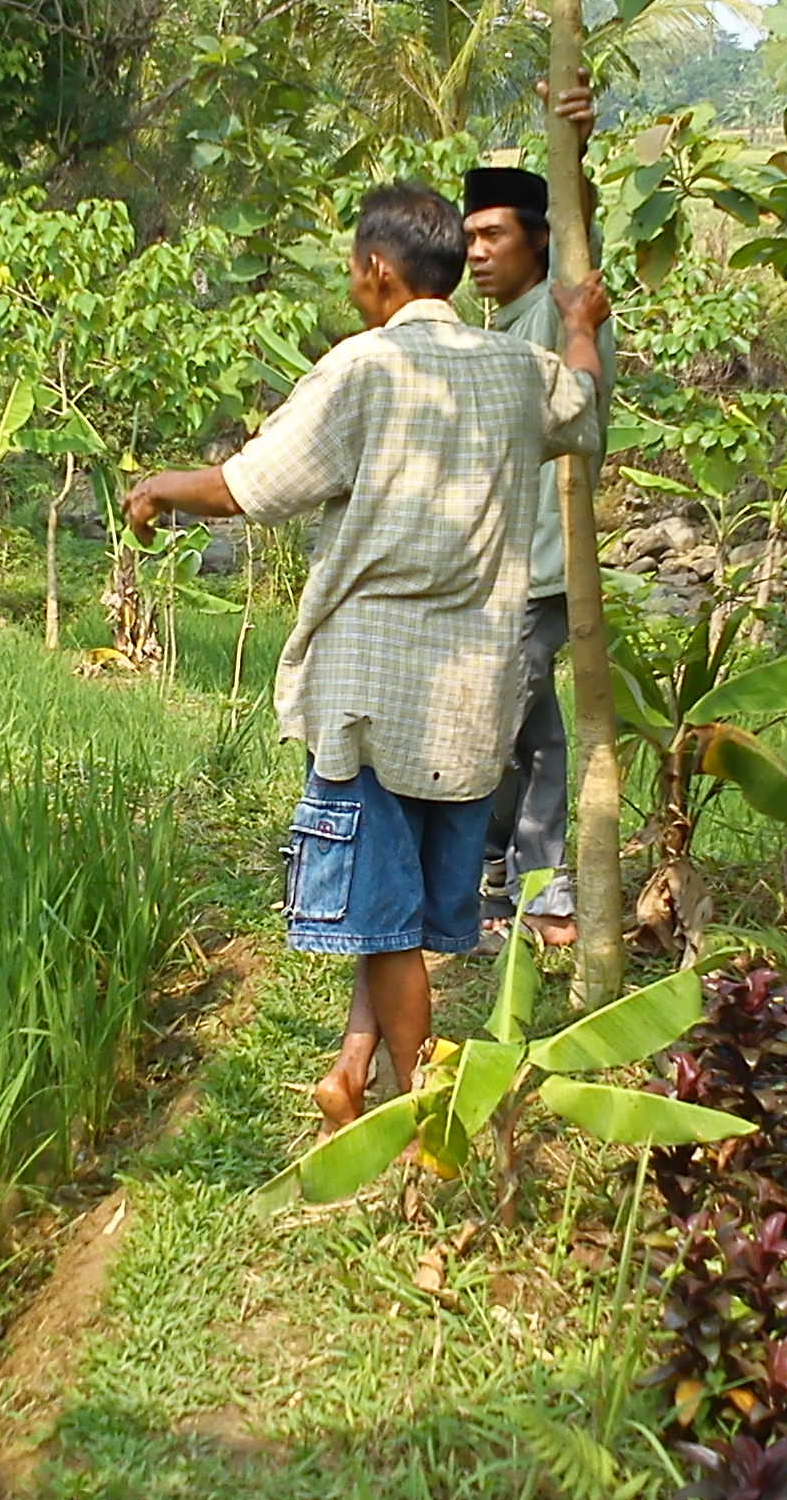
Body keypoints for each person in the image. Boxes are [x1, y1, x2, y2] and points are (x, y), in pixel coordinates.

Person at [124, 182, 611, 1128]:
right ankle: (351, 1072)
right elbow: (582, 409)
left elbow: (248, 488)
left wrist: (157, 488)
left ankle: (414, 1114)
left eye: (353, 273)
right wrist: (579, 320)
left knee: (385, 926)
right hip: (472, 700)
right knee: (402, 913)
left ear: (380, 272)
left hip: (370, 697)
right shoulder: (514, 368)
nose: (353, 289)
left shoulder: (363, 370)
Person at [461, 151, 616, 947]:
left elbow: (578, 221)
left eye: (493, 236)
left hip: (539, 565)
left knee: (492, 730)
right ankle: (538, 888)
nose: (477, 253)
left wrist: (576, 146)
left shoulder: (557, 311)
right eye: (470, 238)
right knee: (536, 736)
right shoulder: (506, 323)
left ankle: (494, 888)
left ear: (537, 240)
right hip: (510, 560)